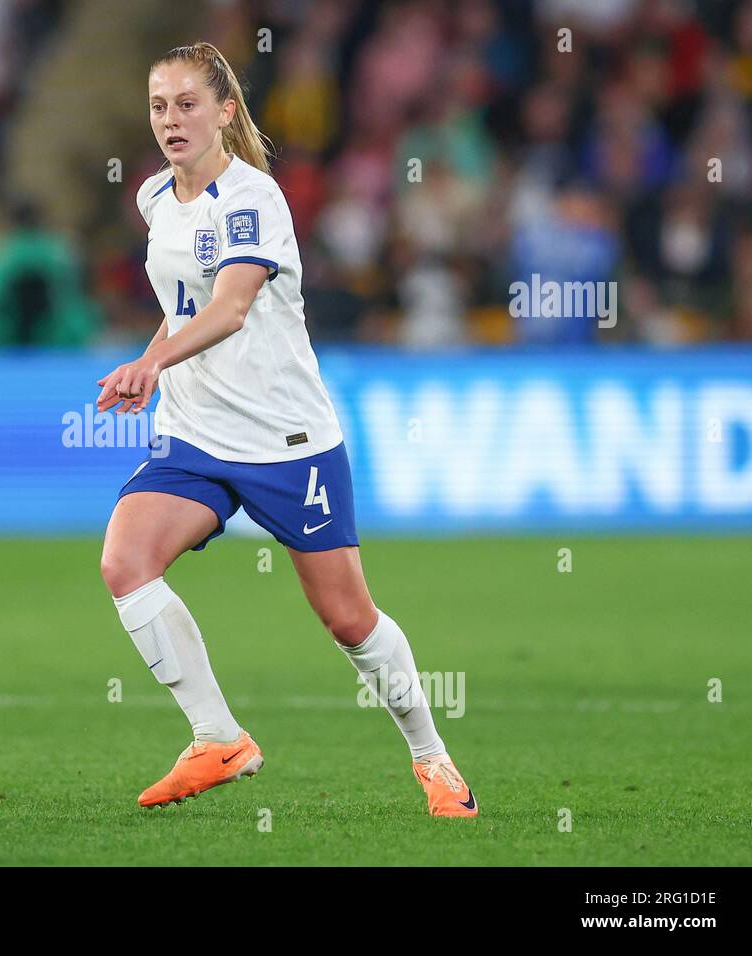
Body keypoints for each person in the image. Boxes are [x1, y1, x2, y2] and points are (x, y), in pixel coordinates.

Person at [96, 41, 477, 817]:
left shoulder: (254, 198)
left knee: (348, 619)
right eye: (159, 106)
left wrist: (154, 363)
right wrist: (150, 360)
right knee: (125, 563)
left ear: (225, 111)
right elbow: (182, 306)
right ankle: (217, 737)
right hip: (195, 434)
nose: (171, 120)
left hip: (286, 441)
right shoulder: (153, 200)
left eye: (187, 105)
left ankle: (434, 760)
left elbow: (232, 309)